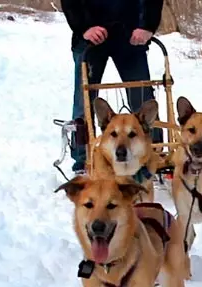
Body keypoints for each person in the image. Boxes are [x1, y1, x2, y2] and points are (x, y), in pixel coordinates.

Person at [62, 0, 165, 176]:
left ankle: (153, 156)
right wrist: (84, 27)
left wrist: (148, 25)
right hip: (90, 39)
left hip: (131, 36)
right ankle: (83, 161)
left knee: (142, 99)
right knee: (84, 101)